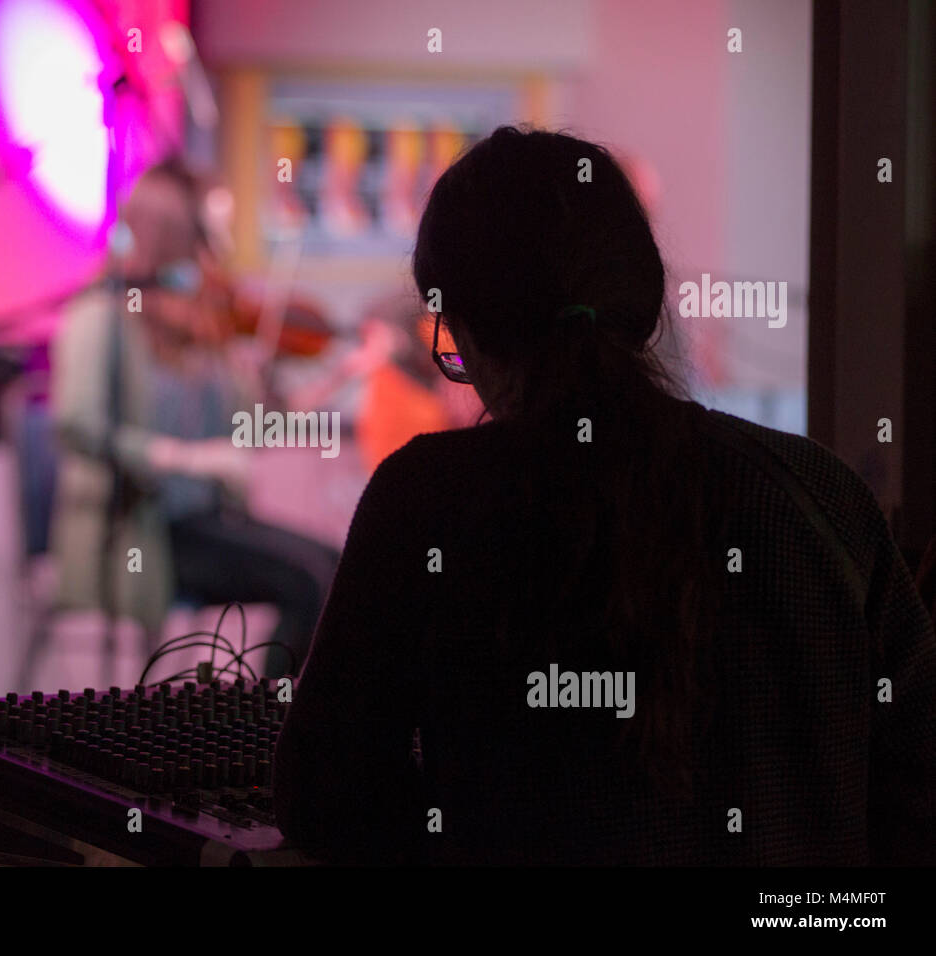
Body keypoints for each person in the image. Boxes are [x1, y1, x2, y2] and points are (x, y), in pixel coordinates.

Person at [272, 126, 936, 864]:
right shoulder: (822, 496)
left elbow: (325, 796)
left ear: (466, 329)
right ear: (648, 309)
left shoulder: (424, 500)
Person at [43, 157, 339, 681]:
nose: (220, 249)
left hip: (208, 521)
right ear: (177, 234)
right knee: (309, 581)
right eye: (211, 232)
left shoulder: (202, 322)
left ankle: (284, 722)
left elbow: (247, 428)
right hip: (144, 532)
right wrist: (181, 457)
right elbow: (78, 425)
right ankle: (267, 725)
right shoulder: (100, 317)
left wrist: (311, 388)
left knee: (339, 565)